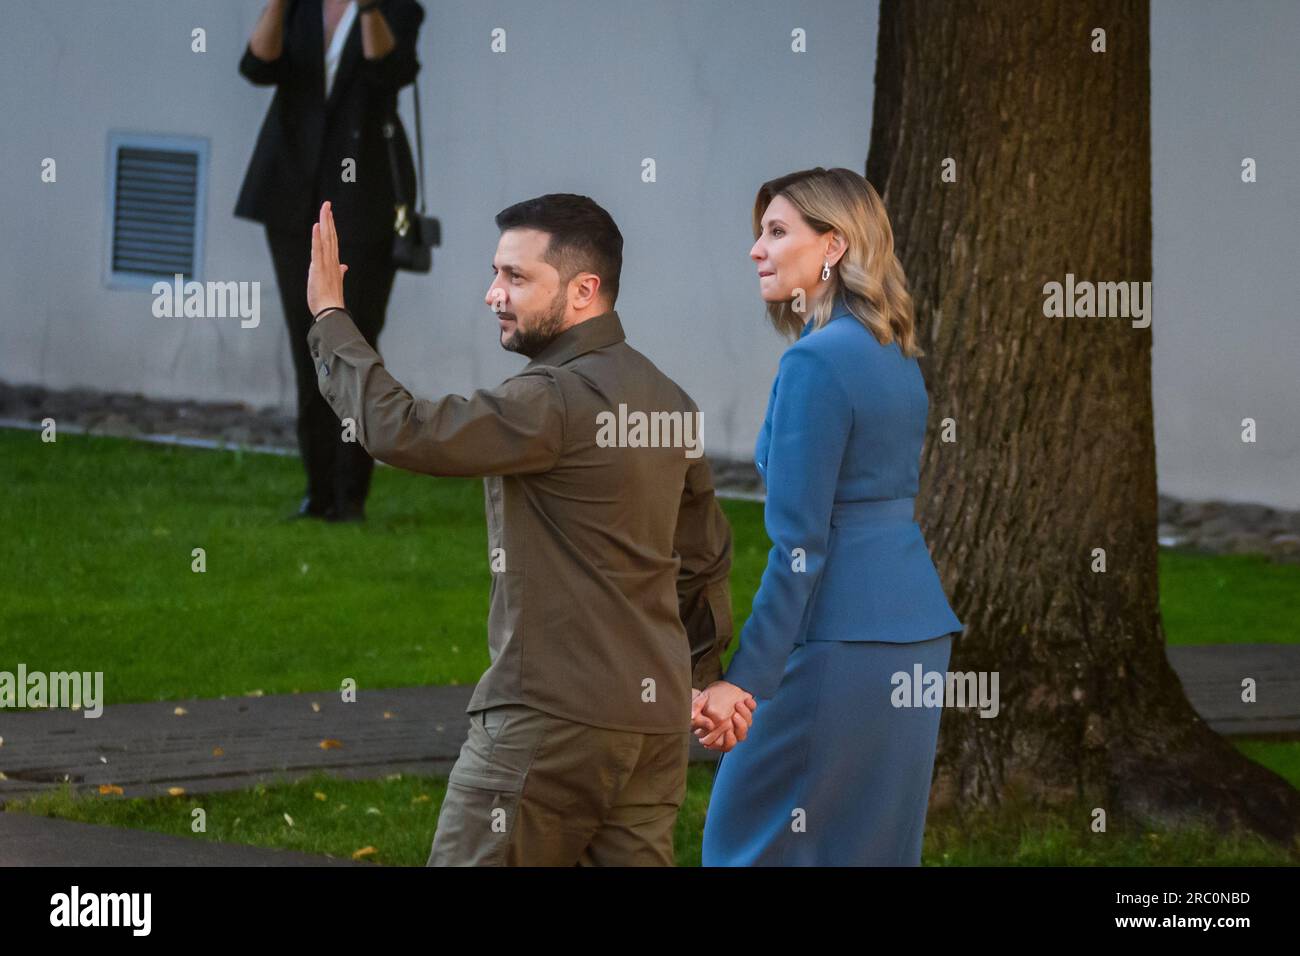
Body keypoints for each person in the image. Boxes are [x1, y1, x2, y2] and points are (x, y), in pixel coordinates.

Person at [304, 193, 753, 865]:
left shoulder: (549, 399)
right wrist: (704, 675)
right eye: (496, 273)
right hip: (650, 727)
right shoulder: (669, 401)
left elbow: (404, 431)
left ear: (583, 290)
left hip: (549, 723)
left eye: (516, 277)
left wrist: (332, 318)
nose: (493, 294)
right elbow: (704, 557)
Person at [697, 167, 965, 866]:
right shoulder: (892, 351)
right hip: (912, 635)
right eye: (760, 231)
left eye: (778, 231)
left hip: (839, 640)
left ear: (834, 246)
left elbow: (799, 548)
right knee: (867, 848)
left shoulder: (816, 363)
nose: (757, 248)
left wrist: (743, 681)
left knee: (744, 841)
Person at [235, 0, 425, 522]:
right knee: (308, 344)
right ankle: (317, 491)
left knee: (355, 341)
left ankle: (351, 495)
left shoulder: (396, 10)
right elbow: (257, 66)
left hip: (365, 198)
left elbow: (391, 71)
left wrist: (366, 9)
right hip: (292, 195)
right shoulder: (297, 9)